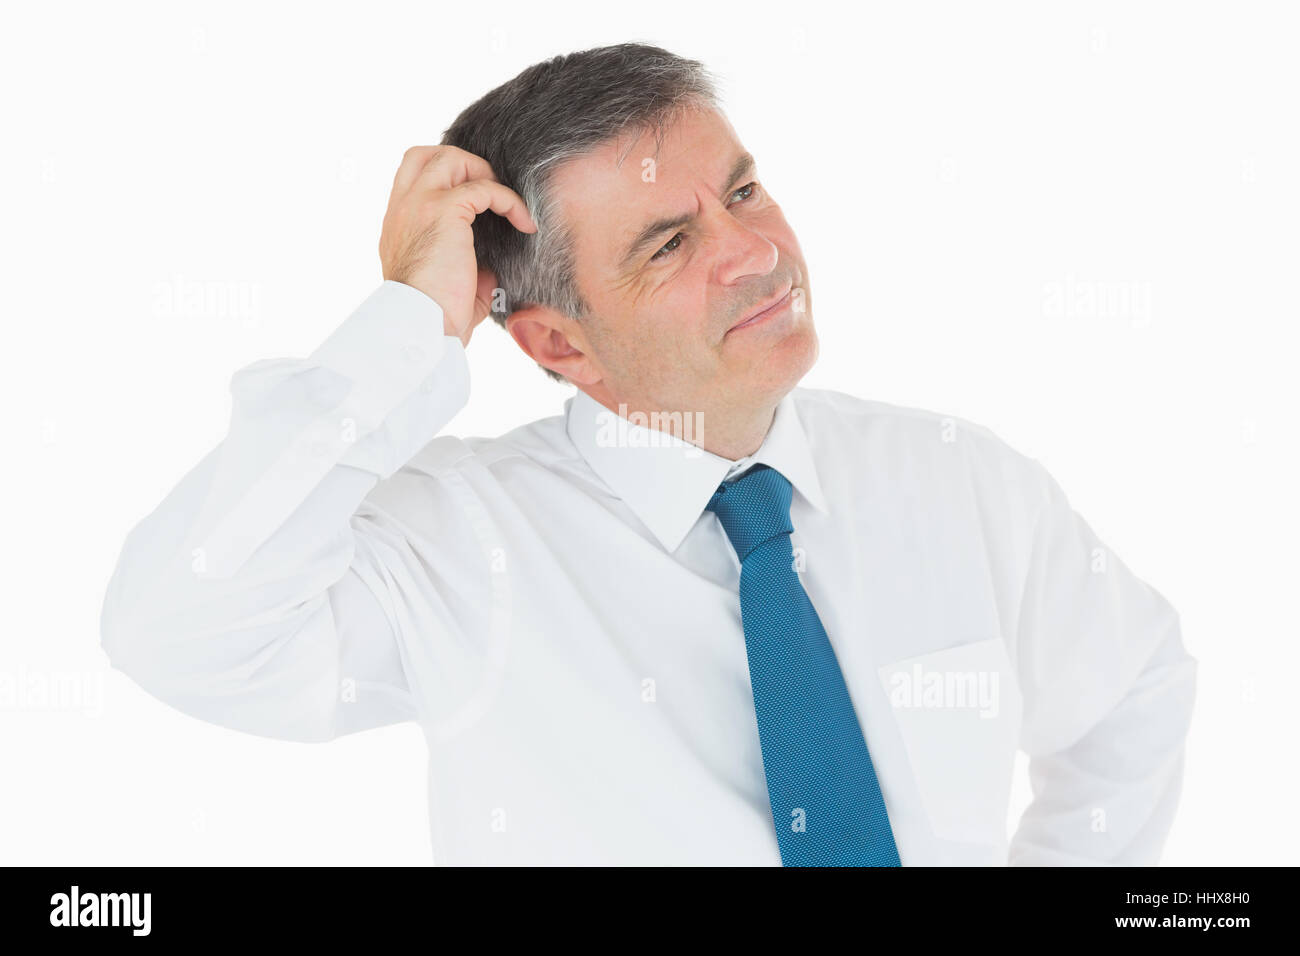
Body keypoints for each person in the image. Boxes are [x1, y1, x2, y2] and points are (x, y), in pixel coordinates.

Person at [99, 42, 1196, 866]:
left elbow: (1133, 685)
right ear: (557, 341)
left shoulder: (955, 477)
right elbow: (180, 626)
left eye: (742, 191)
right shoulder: (459, 546)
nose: (758, 252)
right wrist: (407, 326)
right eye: (671, 243)